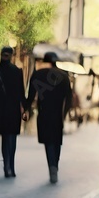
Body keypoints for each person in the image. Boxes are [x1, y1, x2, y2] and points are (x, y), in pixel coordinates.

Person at [24, 52, 72, 184]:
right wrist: (64, 113)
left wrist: (26, 108)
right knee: (57, 141)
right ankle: (55, 165)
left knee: (48, 141)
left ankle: (52, 166)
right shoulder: (64, 76)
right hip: (58, 113)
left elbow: (30, 96)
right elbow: (69, 98)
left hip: (44, 112)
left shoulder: (38, 74)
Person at [0, 46, 26, 177]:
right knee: (12, 138)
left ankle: (6, 165)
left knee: (5, 138)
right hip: (13, 109)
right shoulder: (17, 72)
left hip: (1, 109)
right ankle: (11, 167)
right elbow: (21, 92)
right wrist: (25, 108)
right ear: (12, 56)